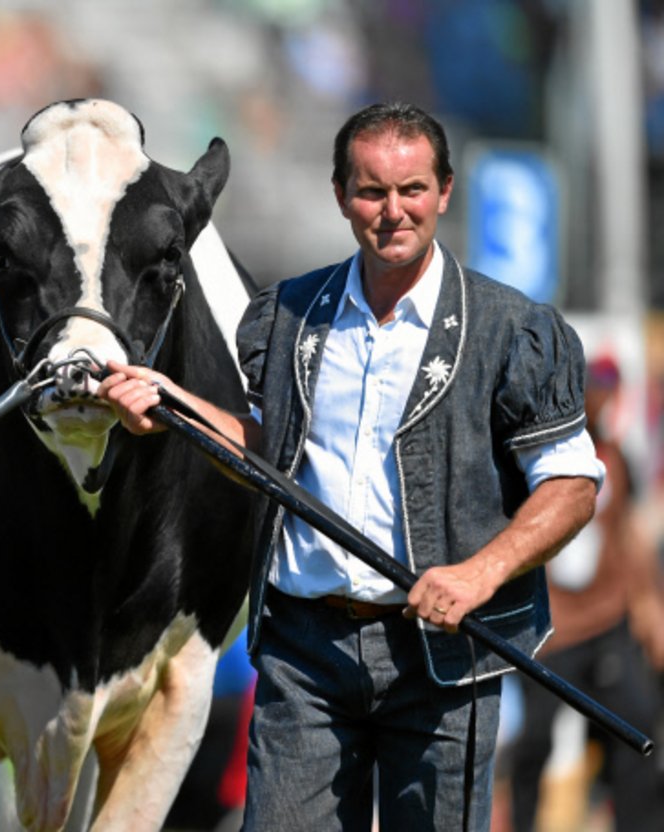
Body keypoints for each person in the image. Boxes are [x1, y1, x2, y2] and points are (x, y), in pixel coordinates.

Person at [97, 102, 604, 831]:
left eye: (412, 189)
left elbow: (573, 485)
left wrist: (479, 573)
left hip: (444, 657)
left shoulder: (511, 327)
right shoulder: (287, 312)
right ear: (340, 195)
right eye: (372, 191)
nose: (393, 211)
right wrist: (174, 406)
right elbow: (266, 454)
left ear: (445, 191)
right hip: (306, 653)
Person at [509, 354, 664, 831]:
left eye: (609, 387)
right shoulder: (534, 456)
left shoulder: (615, 455)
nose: (601, 397)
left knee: (636, 727)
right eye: (594, 386)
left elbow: (629, 535)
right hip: (552, 628)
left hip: (607, 620)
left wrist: (649, 608)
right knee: (534, 743)